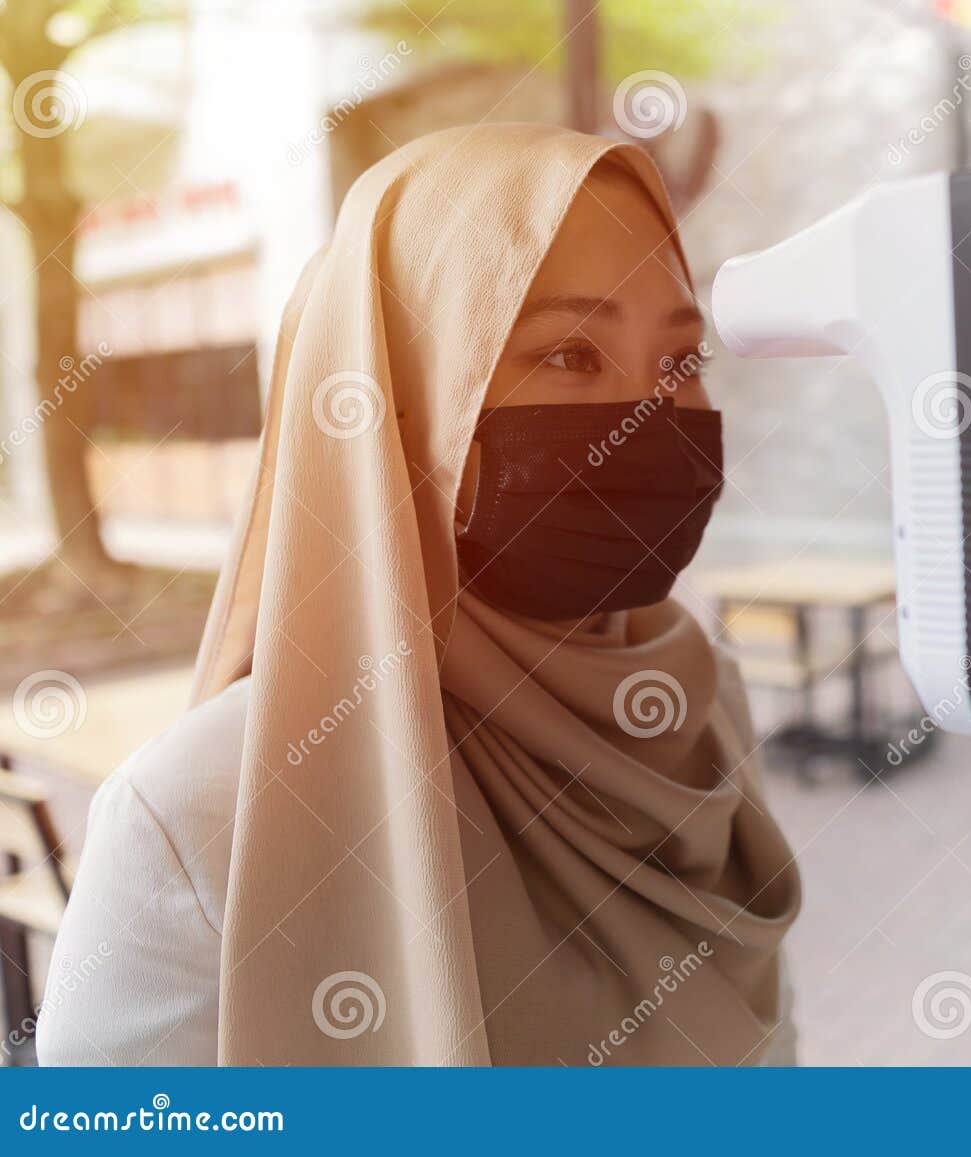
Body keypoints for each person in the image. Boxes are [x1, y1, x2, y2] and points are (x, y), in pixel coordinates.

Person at [36, 124, 802, 1066]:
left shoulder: (701, 699)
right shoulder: (209, 813)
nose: (652, 414)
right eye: (570, 354)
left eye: (681, 363)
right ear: (401, 405)